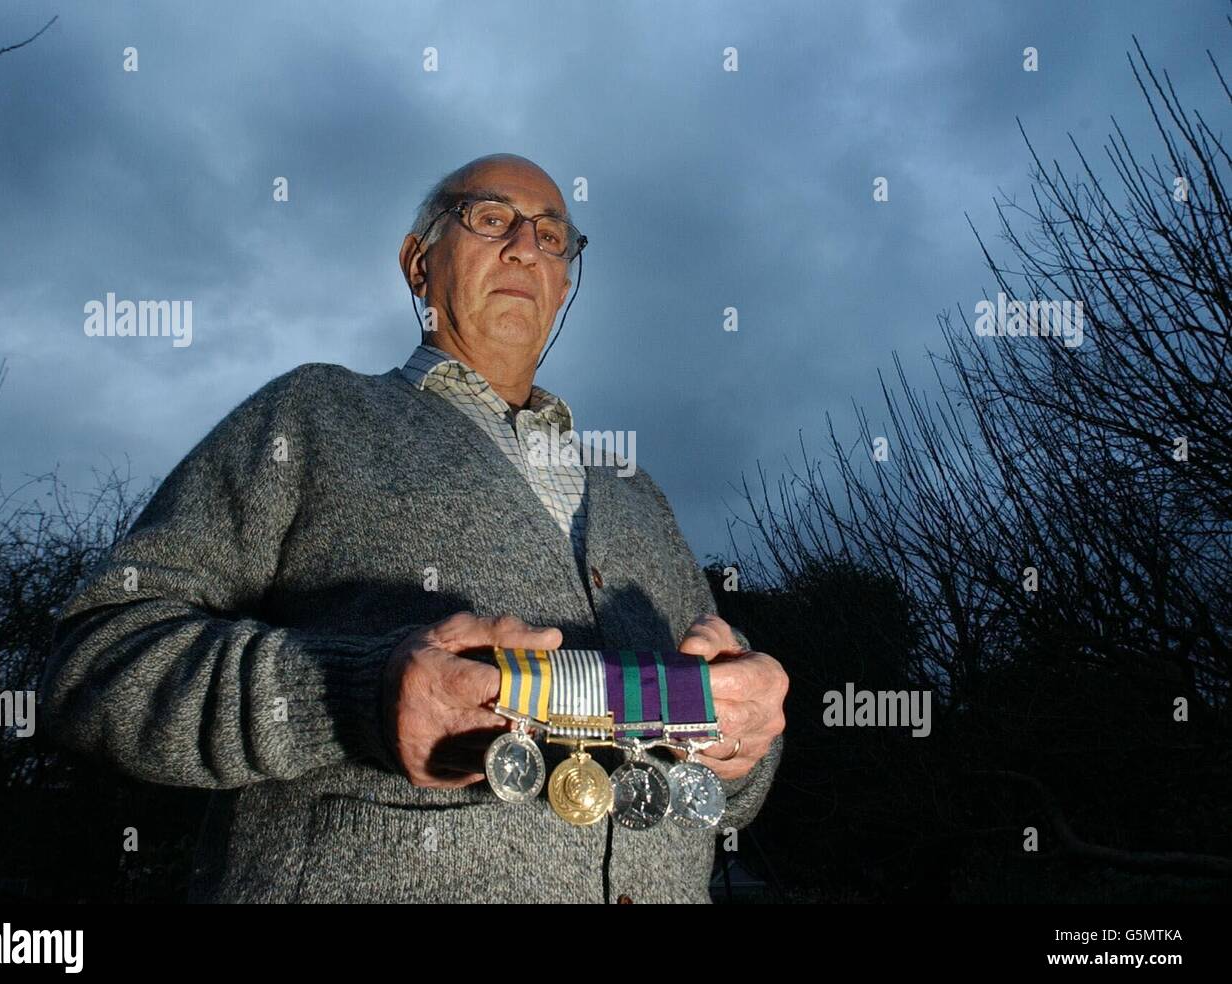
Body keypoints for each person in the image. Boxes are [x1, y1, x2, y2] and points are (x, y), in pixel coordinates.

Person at [41, 153, 788, 903]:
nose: (527, 246)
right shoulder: (313, 415)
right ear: (418, 262)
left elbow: (735, 781)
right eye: (492, 218)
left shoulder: (637, 490)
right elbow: (95, 659)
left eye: (554, 238)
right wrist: (346, 696)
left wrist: (746, 744)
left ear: (564, 285)